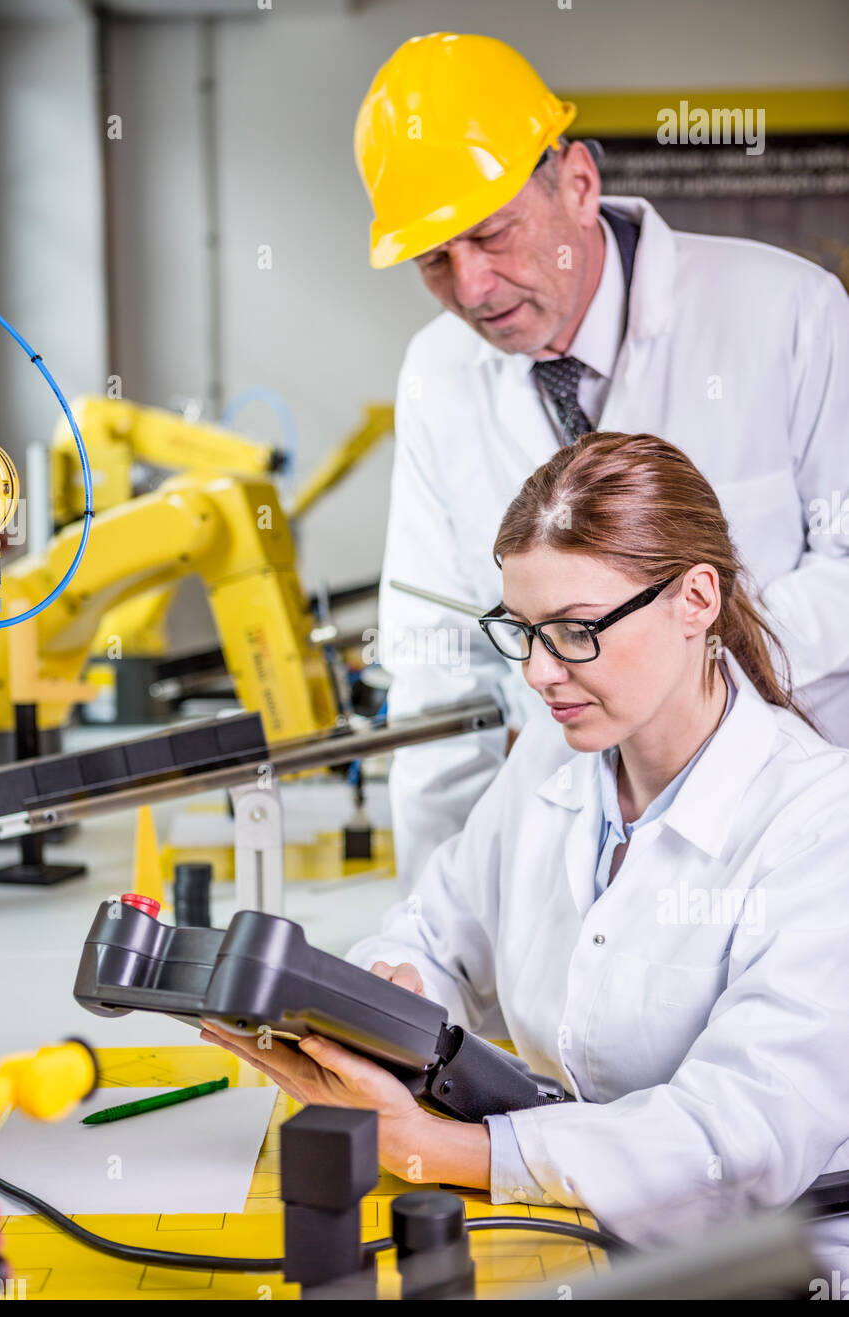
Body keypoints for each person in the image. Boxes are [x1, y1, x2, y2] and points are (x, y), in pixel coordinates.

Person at [202, 432, 849, 1278]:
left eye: (577, 632)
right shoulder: (555, 760)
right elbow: (433, 934)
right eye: (524, 631)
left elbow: (733, 1139)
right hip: (571, 1223)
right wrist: (383, 1007)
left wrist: (448, 1150)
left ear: (697, 599)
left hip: (768, 1265)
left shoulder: (816, 822)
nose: (541, 673)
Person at [354, 32, 849, 892]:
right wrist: (432, 942)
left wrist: (675, 666)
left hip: (788, 829)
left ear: (577, 183)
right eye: (434, 260)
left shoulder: (787, 312)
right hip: (572, 845)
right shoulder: (439, 374)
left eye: (493, 234)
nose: (471, 287)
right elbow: (438, 664)